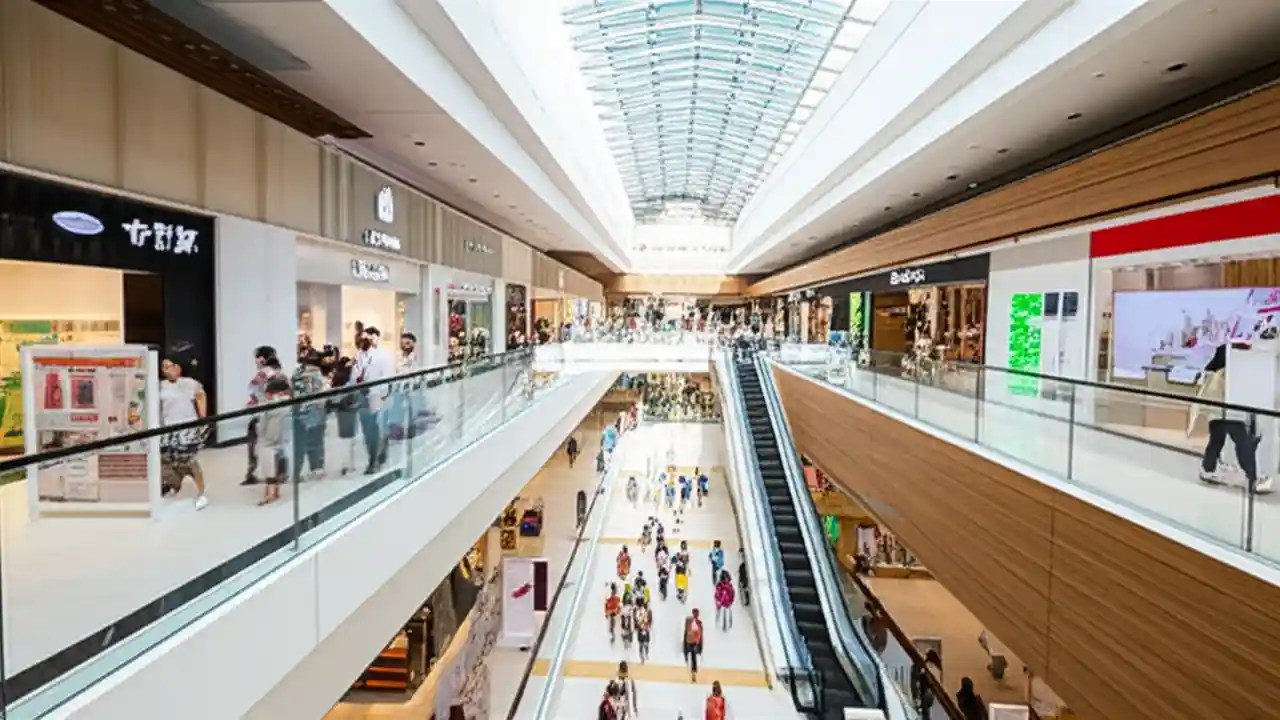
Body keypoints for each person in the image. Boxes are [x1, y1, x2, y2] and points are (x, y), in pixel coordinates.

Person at [1199, 342, 1272, 493]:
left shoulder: (1211, 372)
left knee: (1216, 441)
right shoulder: (1226, 374)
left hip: (1217, 414)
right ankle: (1252, 477)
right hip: (1229, 412)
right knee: (1242, 441)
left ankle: (1207, 469)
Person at [158, 352, 209, 509]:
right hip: (167, 429)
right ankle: (173, 485)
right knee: (168, 461)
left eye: (170, 366)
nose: (166, 370)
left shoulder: (189, 383)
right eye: (163, 367)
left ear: (178, 367)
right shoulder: (160, 386)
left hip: (187, 429)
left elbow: (200, 396)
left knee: (190, 461)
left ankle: (201, 492)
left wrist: (203, 418)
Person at [351, 326, 395, 474]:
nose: (364, 342)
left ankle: (375, 460)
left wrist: (383, 394)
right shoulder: (358, 356)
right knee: (367, 430)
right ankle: (374, 455)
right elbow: (354, 376)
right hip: (362, 396)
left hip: (377, 396)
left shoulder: (383, 355)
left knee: (376, 429)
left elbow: (388, 376)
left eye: (368, 338)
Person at [243, 345, 280, 485]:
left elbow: (252, 387)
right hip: (274, 411)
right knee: (275, 445)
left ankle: (255, 473)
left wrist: (254, 398)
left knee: (259, 444)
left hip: (262, 413)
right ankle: (277, 474)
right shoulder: (277, 371)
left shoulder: (265, 372)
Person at [290, 351, 328, 482]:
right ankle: (316, 469)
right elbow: (322, 397)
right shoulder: (318, 377)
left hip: (297, 413)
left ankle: (296, 472)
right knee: (316, 441)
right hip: (315, 413)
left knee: (299, 445)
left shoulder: (296, 375)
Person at [255, 376, 292, 505]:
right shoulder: (289, 406)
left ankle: (269, 494)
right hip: (283, 440)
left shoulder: (269, 407)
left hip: (268, 441)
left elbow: (261, 427)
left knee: (269, 466)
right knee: (280, 464)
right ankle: (276, 491)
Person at [683, 608, 704, 682]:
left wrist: (700, 646)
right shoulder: (689, 621)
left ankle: (693, 673)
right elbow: (686, 633)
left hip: (695, 642)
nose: (696, 615)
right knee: (692, 658)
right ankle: (693, 673)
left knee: (693, 658)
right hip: (690, 642)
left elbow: (701, 636)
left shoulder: (698, 623)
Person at [634, 597, 652, 662]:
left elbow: (635, 621)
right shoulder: (647, 610)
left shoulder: (637, 611)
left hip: (642, 629)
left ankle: (643, 657)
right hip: (644, 628)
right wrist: (647, 625)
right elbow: (650, 620)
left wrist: (638, 626)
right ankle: (645, 655)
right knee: (645, 643)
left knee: (641, 644)